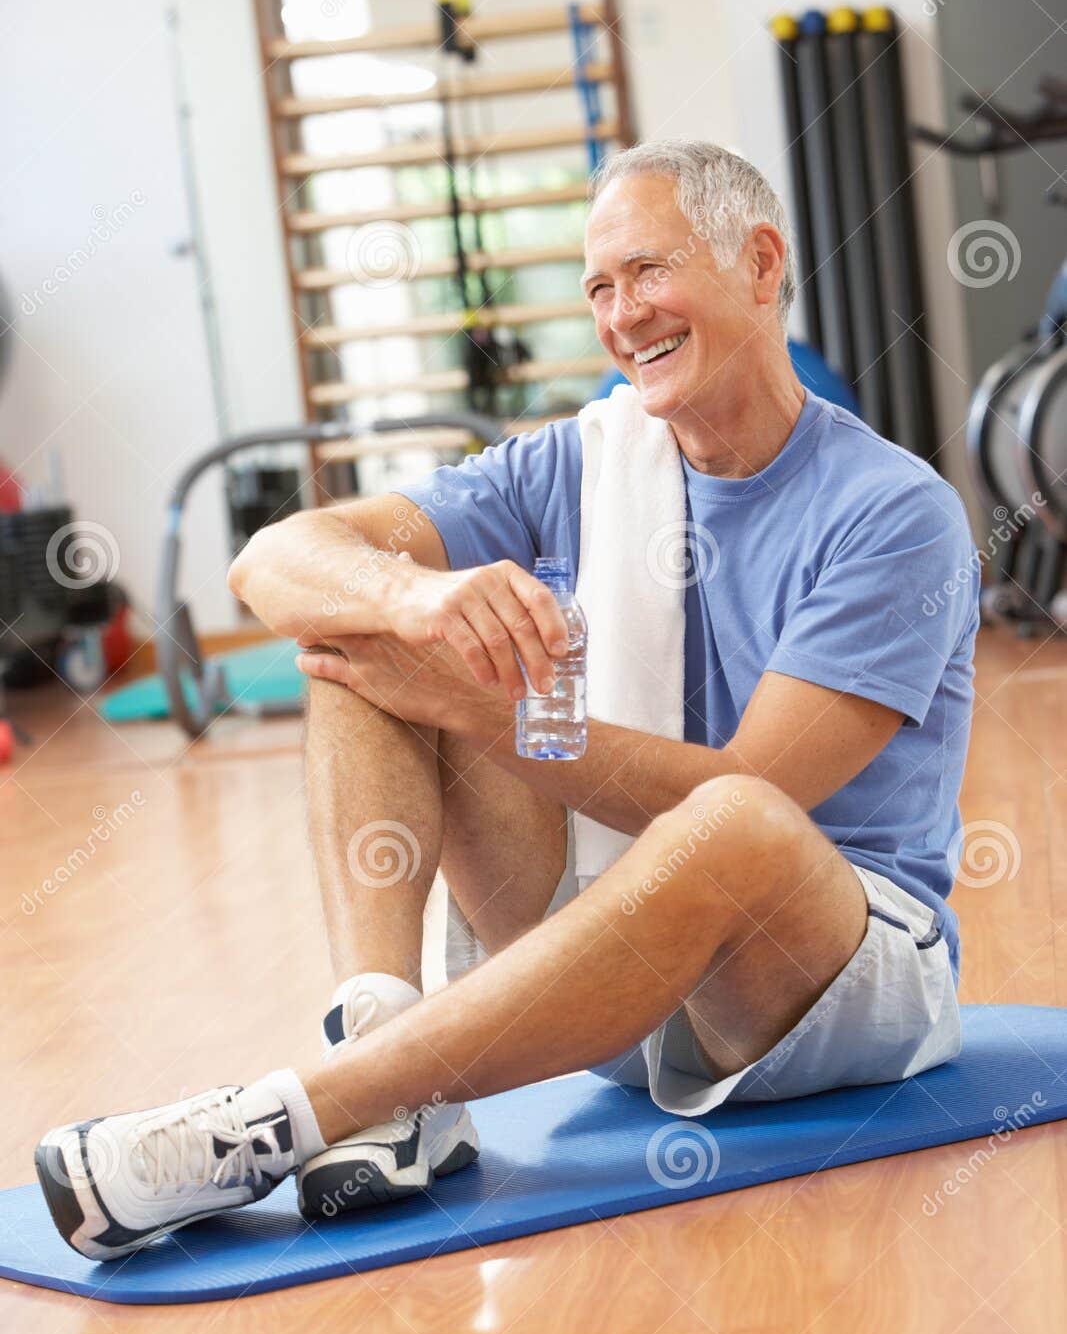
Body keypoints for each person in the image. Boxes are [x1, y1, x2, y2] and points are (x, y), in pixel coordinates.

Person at [35, 141, 979, 1262]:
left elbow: (751, 793)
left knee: (733, 823)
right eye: (597, 290)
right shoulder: (581, 461)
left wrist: (483, 711)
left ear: (760, 264)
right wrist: (414, 595)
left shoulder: (892, 513)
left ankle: (293, 1112)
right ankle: (390, 1068)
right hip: (611, 971)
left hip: (817, 976)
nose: (620, 316)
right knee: (355, 627)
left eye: (645, 272)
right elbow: (275, 562)